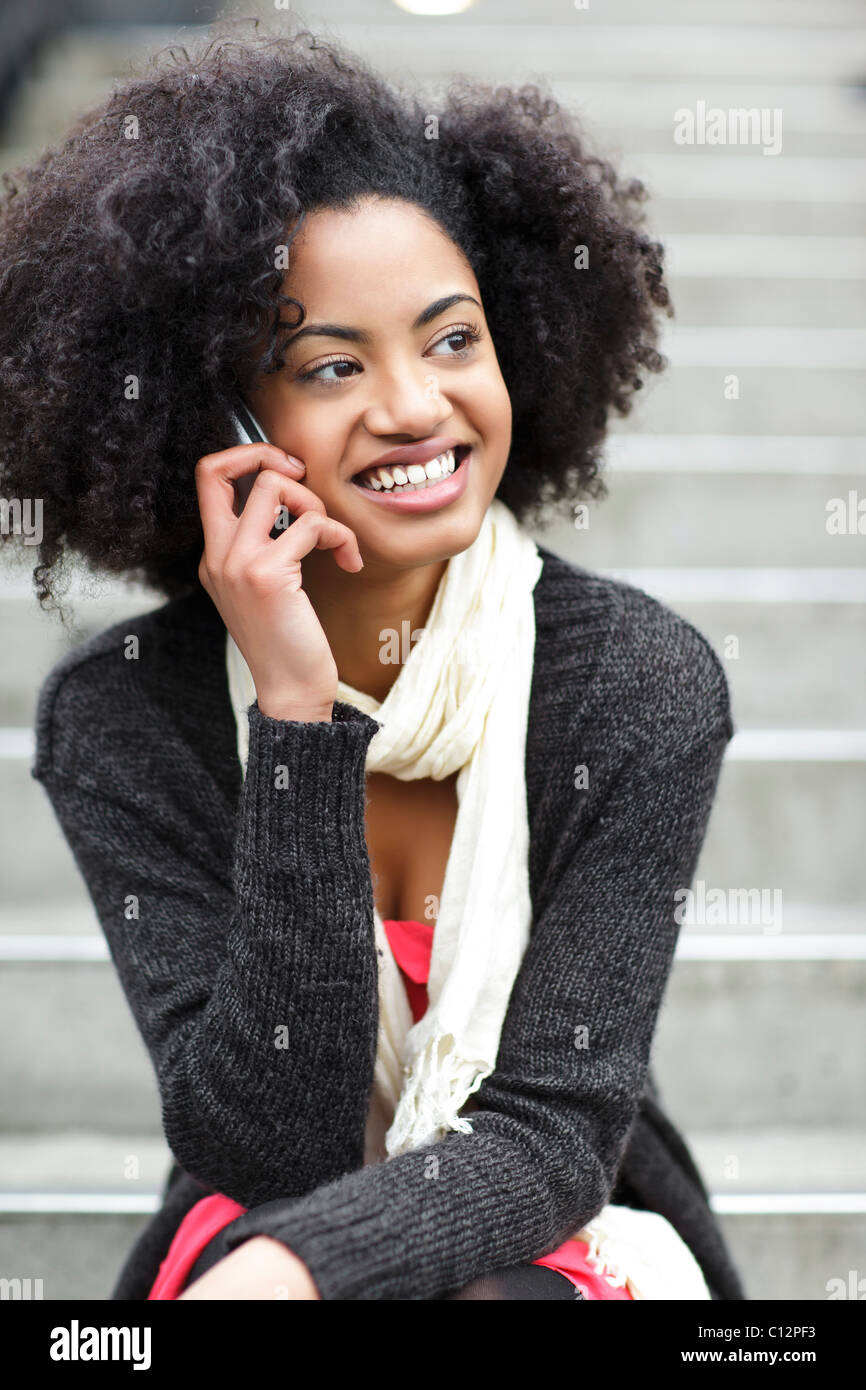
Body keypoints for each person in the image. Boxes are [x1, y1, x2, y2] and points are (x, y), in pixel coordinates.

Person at [1, 19, 746, 1301]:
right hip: (251, 1229)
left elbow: (554, 1135)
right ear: (219, 416)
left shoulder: (637, 684)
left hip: (553, 1231)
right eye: (332, 365)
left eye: (452, 339)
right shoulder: (125, 717)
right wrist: (294, 717)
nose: (414, 405)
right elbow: (269, 1144)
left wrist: (293, 1269)